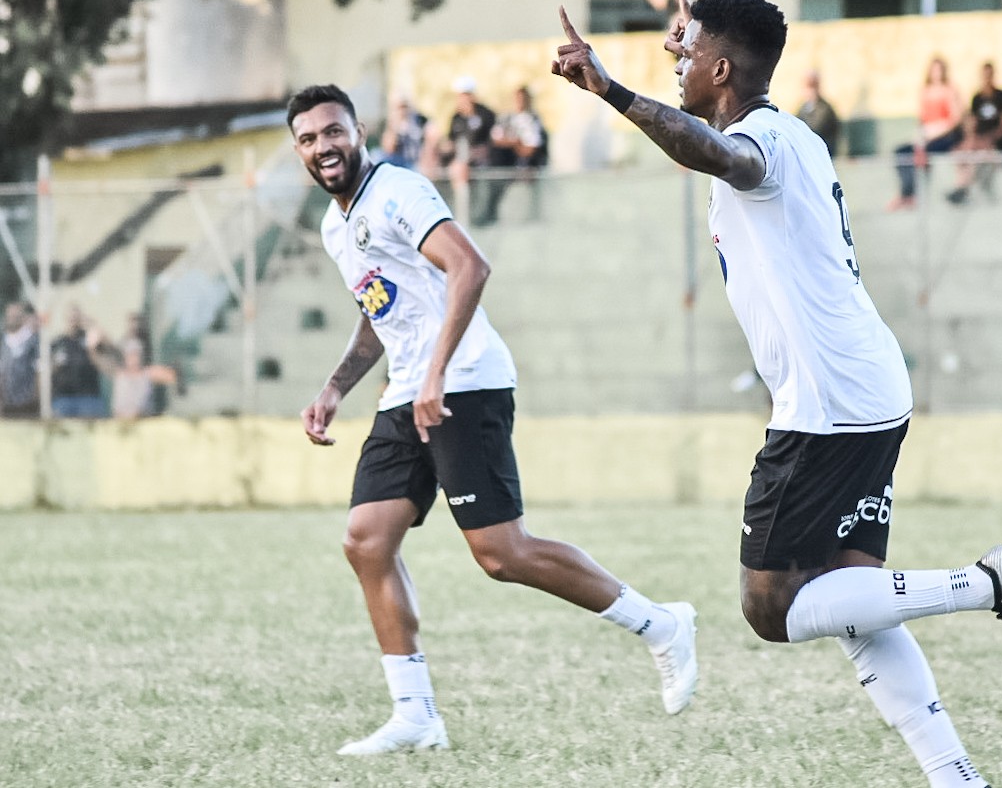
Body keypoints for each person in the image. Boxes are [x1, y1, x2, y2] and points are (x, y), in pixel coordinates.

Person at [553, 0, 1002, 788]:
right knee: (853, 599)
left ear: (722, 68)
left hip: (828, 407)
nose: (678, 58)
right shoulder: (793, 129)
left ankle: (986, 582)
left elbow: (719, 153)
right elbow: (708, 120)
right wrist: (686, 48)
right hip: (864, 388)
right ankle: (956, 776)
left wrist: (615, 91)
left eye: (689, 51)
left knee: (772, 608)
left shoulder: (760, 141)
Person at [285, 84, 698, 756]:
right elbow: (380, 307)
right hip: (407, 390)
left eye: (333, 131)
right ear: (299, 151)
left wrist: (438, 372)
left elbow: (470, 267)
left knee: (501, 554)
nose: (323, 146)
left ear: (358, 132)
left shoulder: (398, 191)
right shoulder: (338, 224)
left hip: (465, 382)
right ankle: (415, 714)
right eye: (308, 139)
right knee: (366, 540)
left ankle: (661, 624)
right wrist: (334, 386)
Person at [888, 58, 964, 211]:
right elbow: (922, 118)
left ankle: (914, 193)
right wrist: (921, 134)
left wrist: (935, 132)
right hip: (926, 134)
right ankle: (907, 193)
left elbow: (954, 119)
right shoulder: (925, 91)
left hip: (944, 136)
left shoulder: (949, 90)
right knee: (901, 152)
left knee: (924, 151)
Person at [944, 62, 1002, 205]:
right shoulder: (977, 98)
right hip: (980, 141)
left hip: (997, 142)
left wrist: (989, 139)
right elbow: (972, 123)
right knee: (962, 150)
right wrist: (971, 139)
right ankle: (961, 186)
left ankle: (964, 188)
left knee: (980, 152)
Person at [437, 76, 499, 226]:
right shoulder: (456, 118)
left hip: (482, 168)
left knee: (482, 203)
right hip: (461, 167)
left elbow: (492, 141)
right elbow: (451, 140)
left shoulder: (486, 115)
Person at [488, 85, 548, 221]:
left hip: (527, 168)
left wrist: (515, 144)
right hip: (507, 166)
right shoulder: (507, 118)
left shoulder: (533, 120)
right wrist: (516, 142)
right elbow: (496, 139)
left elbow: (531, 149)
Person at [49, 305, 108, 418]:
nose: (73, 320)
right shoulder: (58, 343)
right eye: (71, 317)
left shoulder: (90, 338)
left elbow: (105, 350)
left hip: (89, 396)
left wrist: (92, 325)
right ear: (65, 318)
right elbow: (50, 369)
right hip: (64, 398)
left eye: (76, 317)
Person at [0, 300, 39, 419]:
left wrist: (36, 398)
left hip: (28, 402)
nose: (12, 319)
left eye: (15, 316)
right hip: (7, 402)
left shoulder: (32, 341)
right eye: (10, 316)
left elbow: (39, 371)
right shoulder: (3, 342)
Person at [378, 95, 431, 170]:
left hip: (415, 161)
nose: (403, 111)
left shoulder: (419, 121)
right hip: (397, 160)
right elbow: (388, 147)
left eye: (405, 107)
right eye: (401, 108)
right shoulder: (391, 124)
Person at [796, 69, 841, 157]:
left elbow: (816, 129)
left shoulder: (824, 108)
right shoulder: (803, 107)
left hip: (822, 152)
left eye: (811, 87)